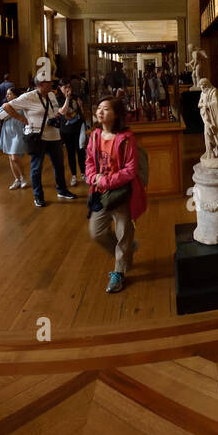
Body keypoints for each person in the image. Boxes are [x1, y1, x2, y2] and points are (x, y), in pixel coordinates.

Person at [85, 95, 148, 294]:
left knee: (123, 232)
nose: (100, 111)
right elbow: (88, 161)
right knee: (97, 232)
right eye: (99, 108)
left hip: (121, 194)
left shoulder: (126, 138)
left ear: (116, 114)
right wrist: (92, 177)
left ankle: (119, 273)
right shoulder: (94, 136)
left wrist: (105, 180)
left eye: (105, 109)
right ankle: (126, 250)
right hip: (100, 194)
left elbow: (130, 170)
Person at [2, 77, 76, 208]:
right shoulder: (28, 97)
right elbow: (6, 106)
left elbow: (58, 112)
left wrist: (67, 98)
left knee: (59, 165)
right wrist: (22, 119)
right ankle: (38, 196)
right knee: (37, 168)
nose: (52, 84)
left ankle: (62, 190)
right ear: (41, 84)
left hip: (54, 136)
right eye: (49, 82)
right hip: (38, 137)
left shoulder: (52, 94)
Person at [0, 86, 27, 189]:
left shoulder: (21, 105)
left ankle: (23, 177)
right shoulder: (4, 106)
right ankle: (17, 179)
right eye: (7, 94)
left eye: (9, 94)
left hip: (18, 132)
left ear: (16, 95)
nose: (7, 96)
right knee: (10, 158)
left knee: (14, 157)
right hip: (7, 132)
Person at [58, 77, 87, 187]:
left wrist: (81, 106)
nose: (68, 89)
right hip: (66, 130)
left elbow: (81, 112)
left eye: (69, 87)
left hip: (78, 127)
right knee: (70, 153)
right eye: (65, 87)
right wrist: (67, 98)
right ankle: (74, 175)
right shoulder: (58, 99)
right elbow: (63, 111)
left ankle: (84, 173)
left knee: (80, 151)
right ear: (60, 88)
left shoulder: (76, 97)